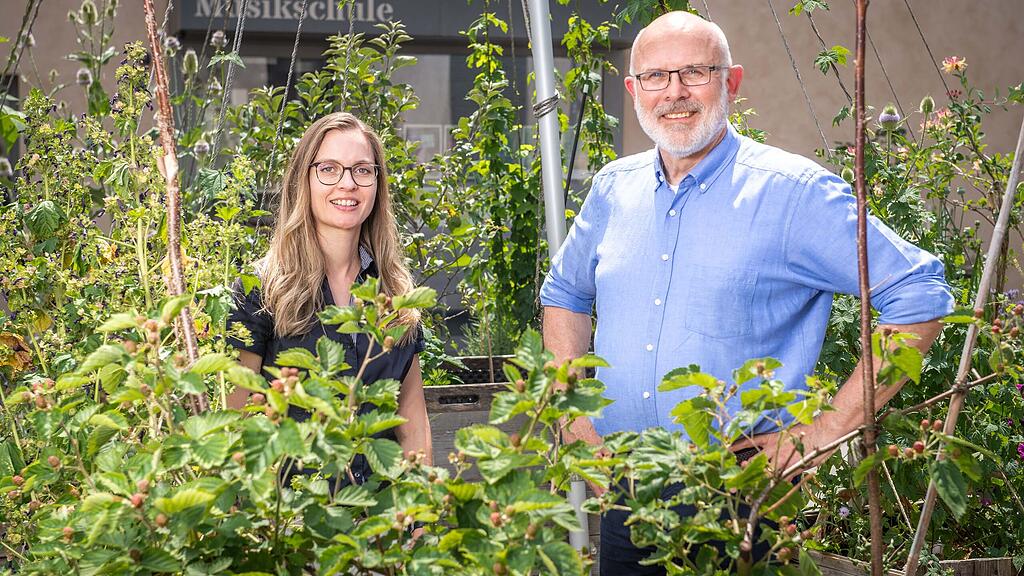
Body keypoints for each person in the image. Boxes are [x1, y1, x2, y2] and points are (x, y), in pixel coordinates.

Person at [539, 11, 953, 574]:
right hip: (627, 490)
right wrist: (577, 427)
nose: (674, 93)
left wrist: (826, 431)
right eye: (656, 76)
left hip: (744, 495)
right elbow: (564, 293)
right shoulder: (614, 188)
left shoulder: (794, 194)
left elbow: (919, 294)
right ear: (634, 90)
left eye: (695, 72)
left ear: (731, 82)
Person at [226, 112, 432, 486]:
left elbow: (412, 426)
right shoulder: (263, 288)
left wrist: (420, 512)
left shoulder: (395, 295)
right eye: (329, 169)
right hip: (294, 510)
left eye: (362, 170)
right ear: (303, 180)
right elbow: (238, 417)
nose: (347, 183)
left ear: (377, 184)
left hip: (381, 511)